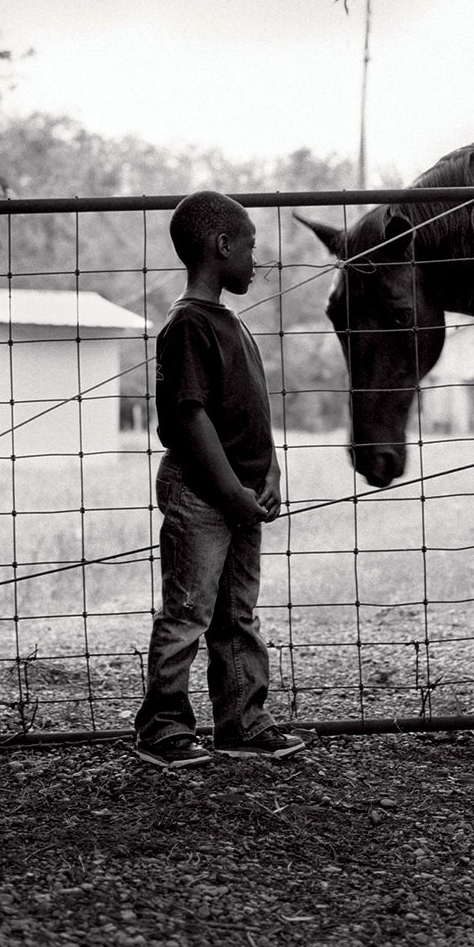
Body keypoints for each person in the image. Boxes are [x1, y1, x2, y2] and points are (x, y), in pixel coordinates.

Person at [133, 190, 307, 767]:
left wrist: (269, 470)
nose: (258, 258)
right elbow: (189, 416)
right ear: (223, 245)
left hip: (243, 499)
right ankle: (163, 727)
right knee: (188, 612)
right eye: (252, 245)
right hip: (204, 497)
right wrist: (230, 489)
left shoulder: (234, 323)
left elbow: (252, 411)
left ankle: (241, 722)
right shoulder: (186, 326)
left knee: (238, 615)